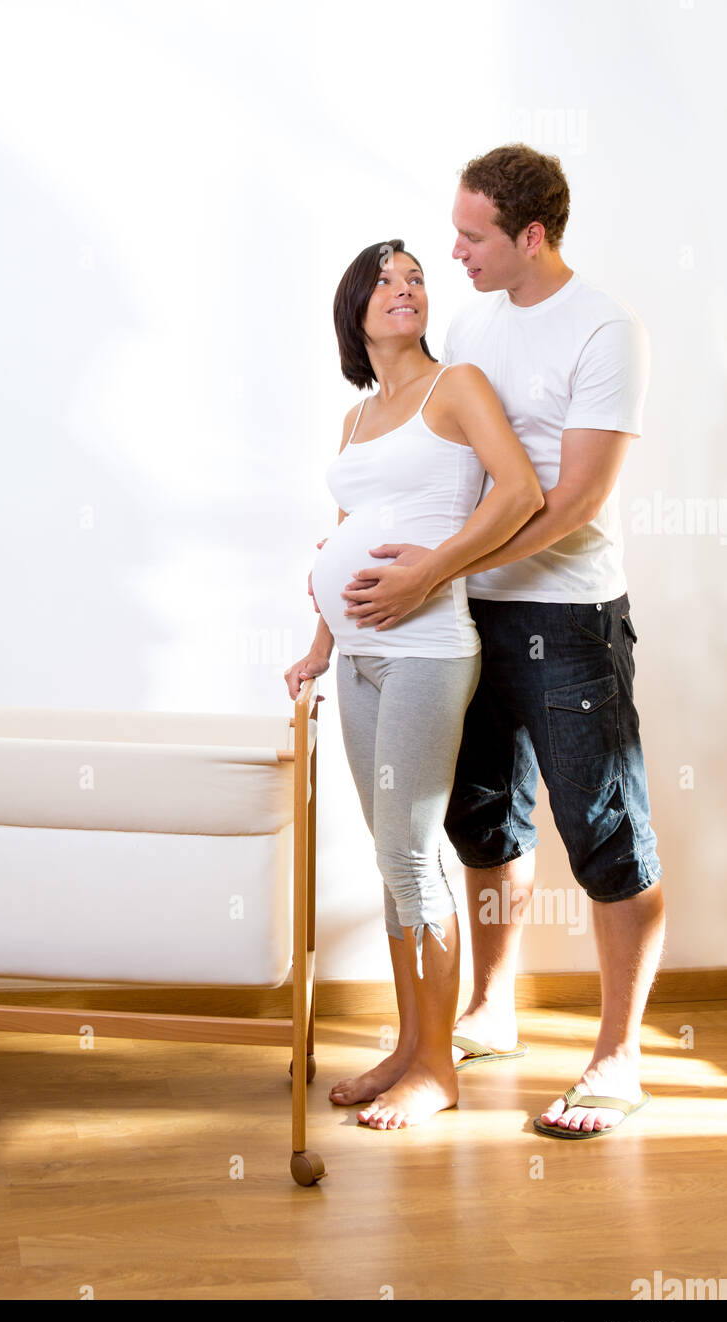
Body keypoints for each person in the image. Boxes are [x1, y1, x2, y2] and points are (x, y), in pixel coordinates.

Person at [338, 145, 665, 1138]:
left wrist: (438, 566)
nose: (451, 253)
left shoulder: (604, 329)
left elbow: (573, 501)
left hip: (566, 619)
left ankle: (616, 1058)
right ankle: (490, 1003)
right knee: (483, 825)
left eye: (472, 235)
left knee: (605, 833)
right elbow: (434, 462)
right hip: (463, 620)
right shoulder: (474, 319)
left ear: (529, 236)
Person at [283, 238, 543, 1130]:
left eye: (415, 278)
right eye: (385, 281)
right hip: (356, 653)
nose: (405, 290)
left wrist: (429, 570)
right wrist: (322, 636)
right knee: (393, 861)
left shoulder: (456, 386)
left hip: (428, 646)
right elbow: (347, 530)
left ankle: (437, 1067)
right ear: (354, 309)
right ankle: (407, 1045)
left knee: (409, 852)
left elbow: (515, 495)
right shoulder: (356, 419)